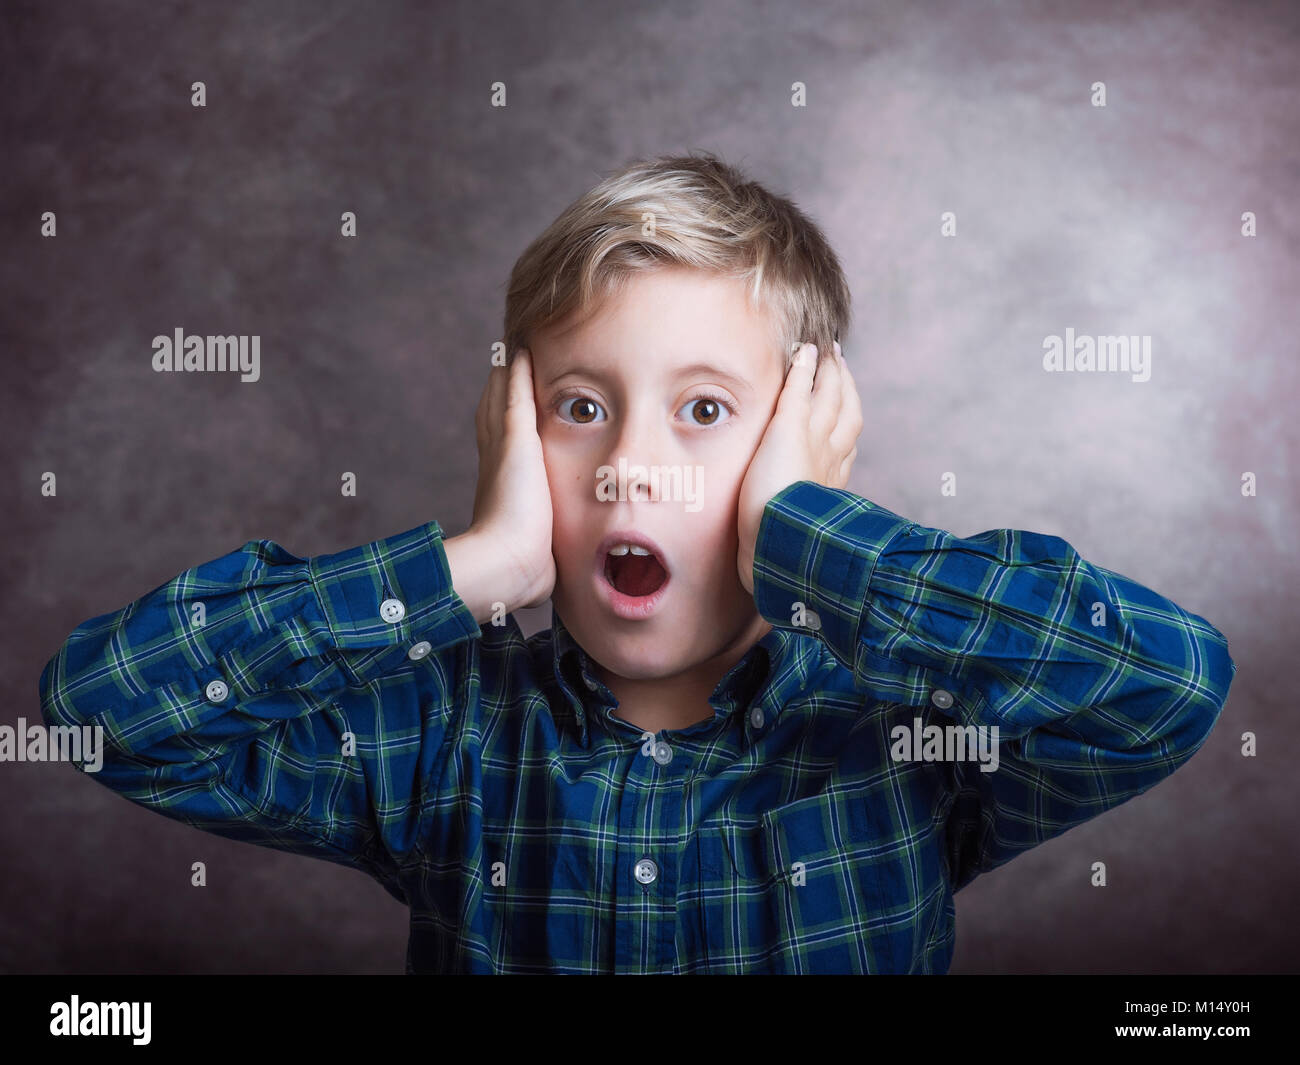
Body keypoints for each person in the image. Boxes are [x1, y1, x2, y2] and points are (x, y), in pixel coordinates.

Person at [39, 152, 1235, 973]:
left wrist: (812, 537)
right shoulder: (438, 734)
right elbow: (107, 713)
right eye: (578, 408)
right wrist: (466, 570)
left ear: (803, 436)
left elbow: (1161, 685)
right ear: (511, 432)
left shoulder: (909, 729)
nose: (630, 469)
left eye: (705, 412)